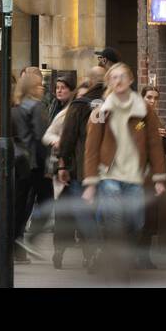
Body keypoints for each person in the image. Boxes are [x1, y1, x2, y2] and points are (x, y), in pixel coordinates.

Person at [81, 63, 166, 277]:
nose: (118, 81)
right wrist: (91, 183)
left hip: (135, 176)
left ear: (130, 81)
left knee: (137, 222)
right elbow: (91, 148)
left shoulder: (144, 109)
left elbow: (155, 144)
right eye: (114, 78)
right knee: (116, 221)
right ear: (109, 82)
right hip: (109, 174)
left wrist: (159, 177)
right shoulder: (101, 111)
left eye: (122, 77)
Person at [58, 64, 108, 269]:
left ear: (89, 80)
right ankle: (95, 253)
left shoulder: (78, 105)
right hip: (106, 169)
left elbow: (67, 138)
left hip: (82, 168)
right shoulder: (110, 104)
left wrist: (62, 165)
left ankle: (96, 246)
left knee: (82, 211)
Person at [12, 67, 50, 257]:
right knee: (47, 201)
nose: (42, 89)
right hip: (36, 162)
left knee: (21, 204)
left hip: (20, 162)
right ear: (32, 88)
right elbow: (42, 137)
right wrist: (48, 164)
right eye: (39, 85)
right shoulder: (37, 107)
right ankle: (31, 237)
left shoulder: (16, 108)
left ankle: (16, 242)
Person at [42, 74, 77, 267]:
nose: (59, 90)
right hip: (61, 168)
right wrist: (55, 141)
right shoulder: (57, 109)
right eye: (57, 87)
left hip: (75, 167)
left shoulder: (72, 109)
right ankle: (59, 251)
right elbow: (47, 135)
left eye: (63, 87)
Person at [137, 83, 166, 269]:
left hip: (152, 178)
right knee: (139, 219)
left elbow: (165, 150)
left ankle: (144, 257)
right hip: (137, 177)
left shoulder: (156, 119)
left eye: (155, 98)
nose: (152, 101)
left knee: (150, 219)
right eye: (149, 97)